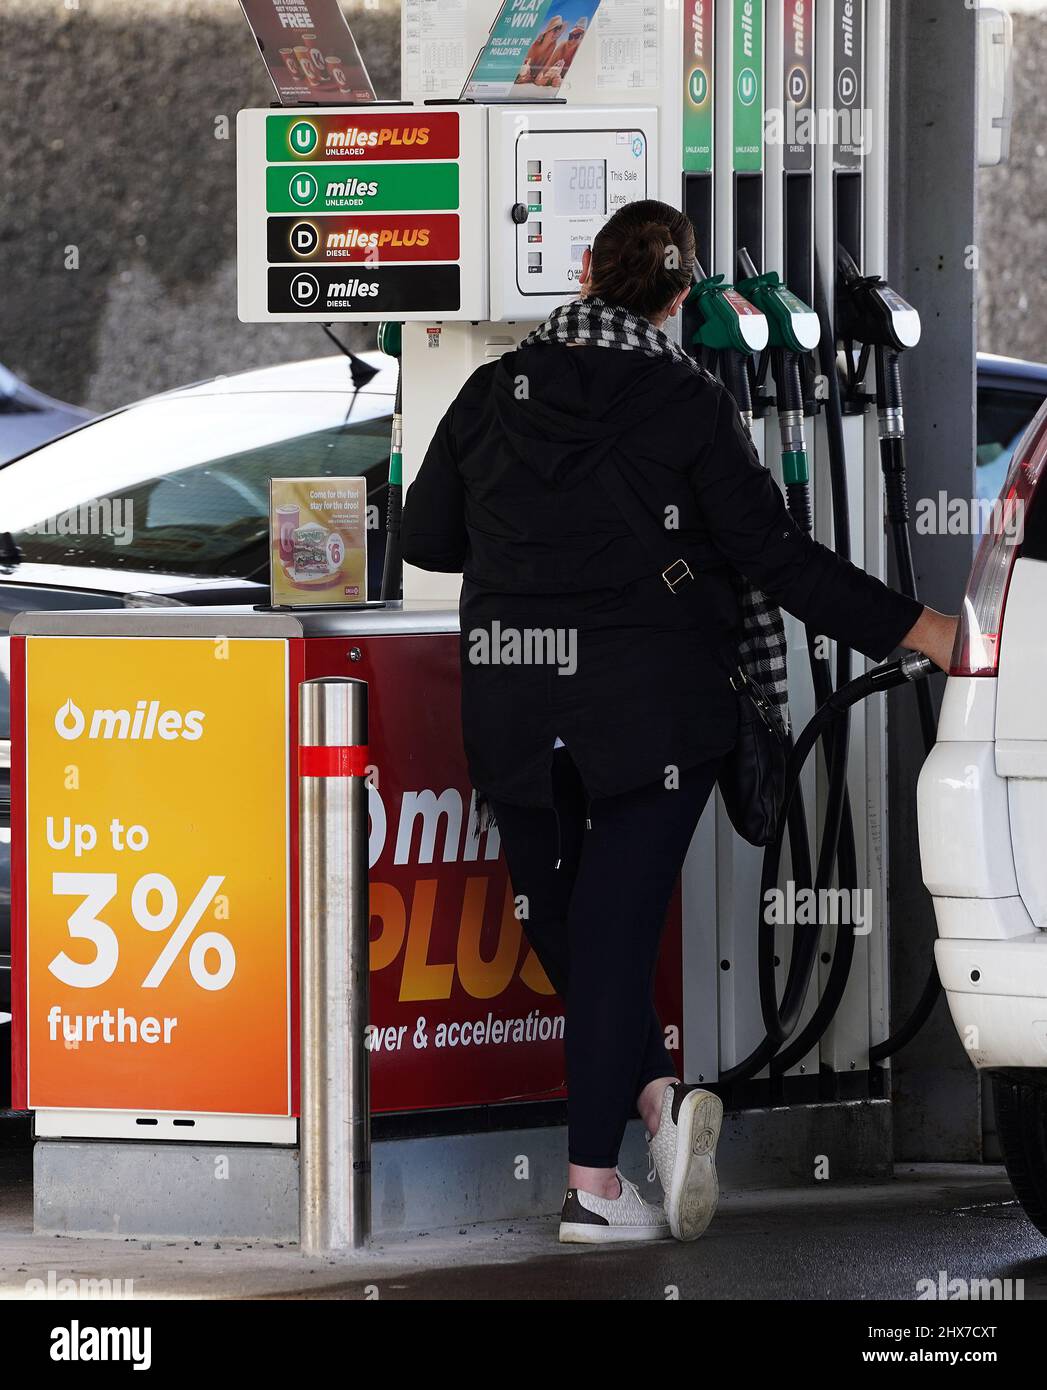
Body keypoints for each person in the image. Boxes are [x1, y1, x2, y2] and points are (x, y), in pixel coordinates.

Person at [400, 199, 958, 1246]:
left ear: (581, 271)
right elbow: (777, 558)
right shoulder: (688, 402)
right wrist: (920, 626)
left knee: (567, 926)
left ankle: (652, 1110)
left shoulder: (491, 390)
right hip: (653, 712)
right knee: (608, 934)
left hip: (516, 702)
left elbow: (429, 541)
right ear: (678, 295)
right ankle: (593, 1185)